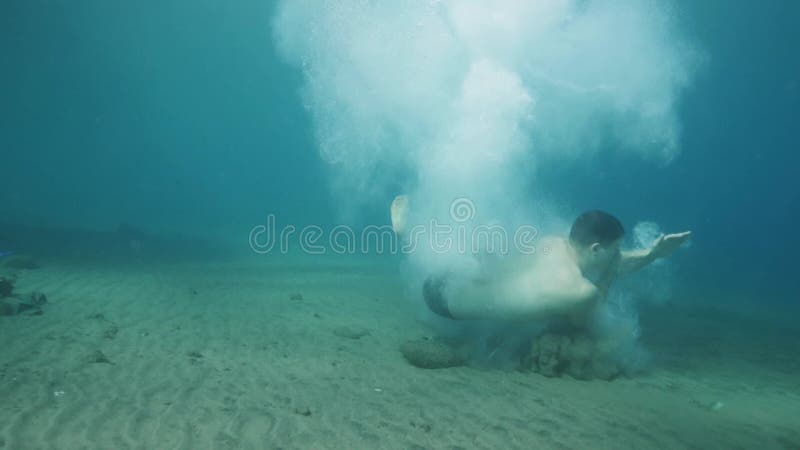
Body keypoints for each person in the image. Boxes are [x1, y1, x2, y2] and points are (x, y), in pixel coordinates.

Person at [391, 200, 691, 325]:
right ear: (597, 248)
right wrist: (612, 271)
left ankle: (410, 232)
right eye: (616, 249)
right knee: (481, 265)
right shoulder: (580, 290)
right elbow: (586, 323)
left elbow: (615, 260)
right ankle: (409, 235)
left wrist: (652, 254)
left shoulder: (556, 242)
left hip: (453, 278)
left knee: (481, 260)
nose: (618, 254)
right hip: (443, 302)